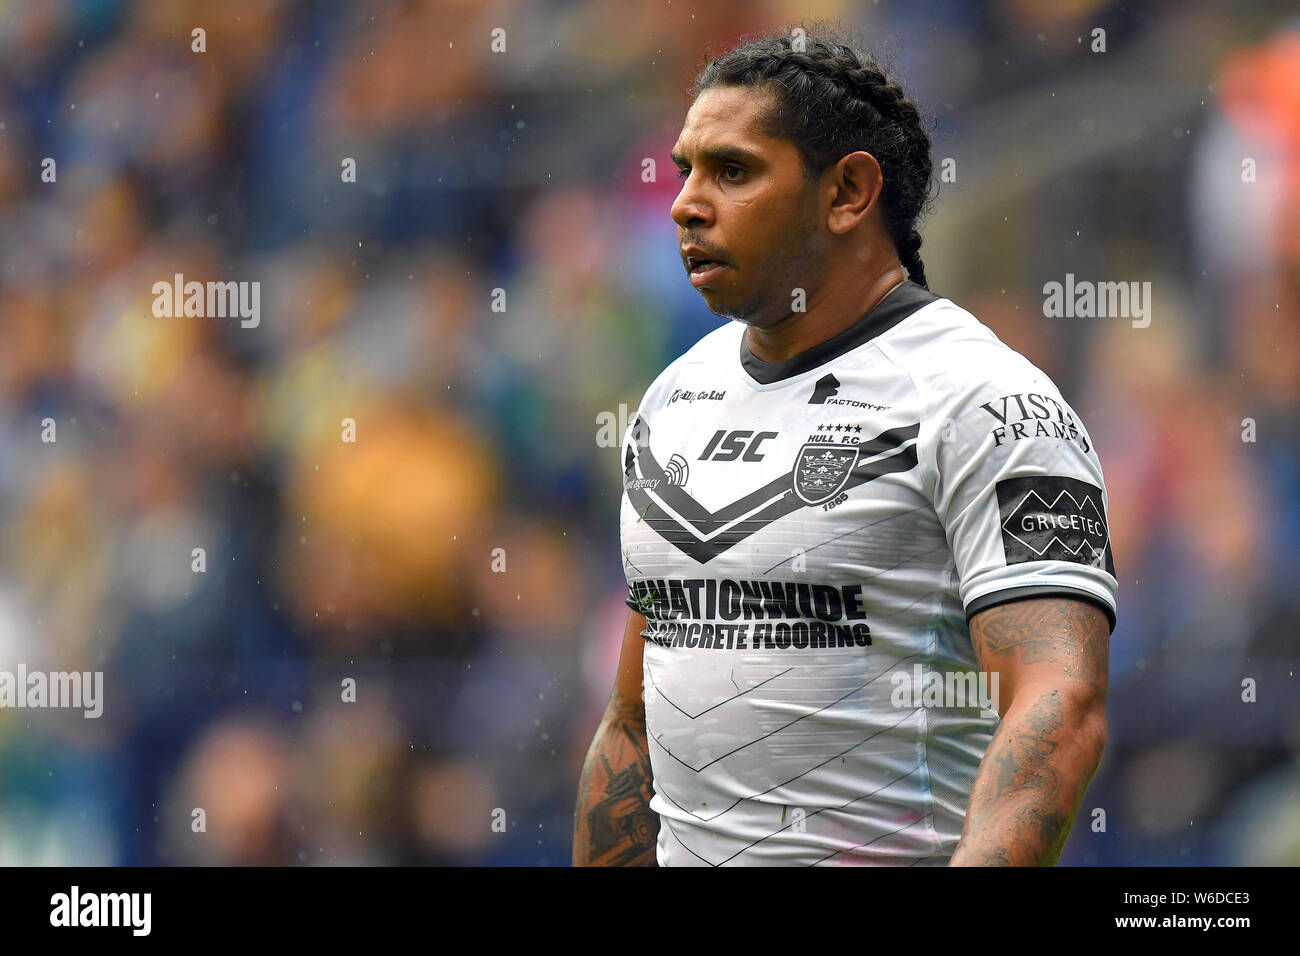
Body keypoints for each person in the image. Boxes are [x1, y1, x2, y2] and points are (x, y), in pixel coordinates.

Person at [574, 27, 1116, 867]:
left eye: (733, 170)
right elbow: (630, 722)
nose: (684, 201)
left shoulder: (988, 401)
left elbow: (1059, 702)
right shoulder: (673, 397)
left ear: (848, 193)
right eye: (685, 169)